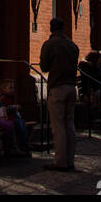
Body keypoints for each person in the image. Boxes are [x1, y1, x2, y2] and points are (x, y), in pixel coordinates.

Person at [39, 17, 79, 171]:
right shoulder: (73, 46)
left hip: (57, 87)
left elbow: (44, 66)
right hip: (71, 87)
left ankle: (61, 162)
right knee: (69, 123)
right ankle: (70, 160)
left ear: (51, 28)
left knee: (58, 126)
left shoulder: (50, 44)